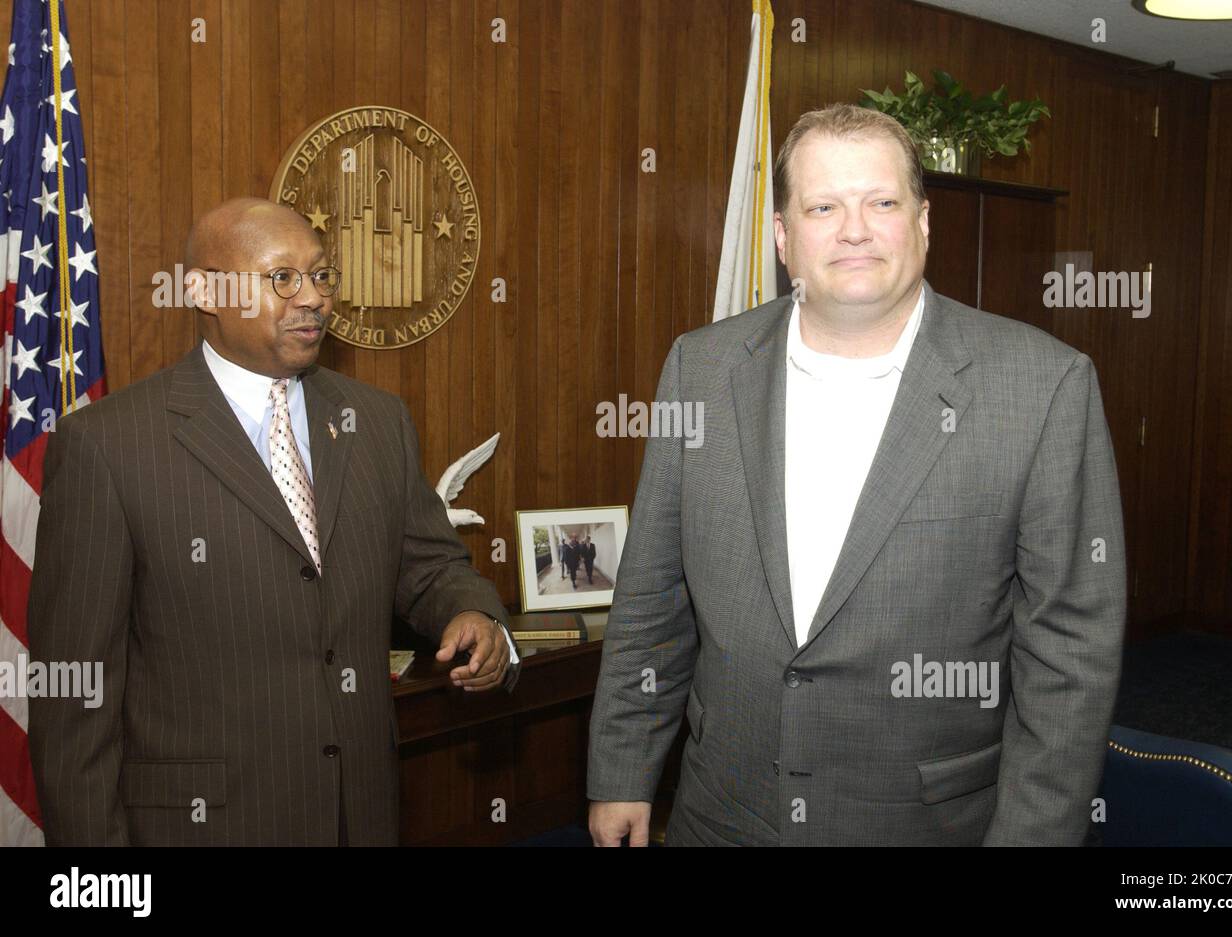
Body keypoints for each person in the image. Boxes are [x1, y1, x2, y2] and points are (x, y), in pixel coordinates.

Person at [587, 104, 1126, 846]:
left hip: (926, 822)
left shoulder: (1042, 385)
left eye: (881, 202)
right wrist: (622, 769)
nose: (853, 229)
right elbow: (652, 590)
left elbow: (1070, 653)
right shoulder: (700, 368)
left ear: (924, 223)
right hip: (723, 812)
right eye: (822, 206)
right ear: (783, 237)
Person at [28, 198, 519, 846]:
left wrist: (477, 618)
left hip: (361, 819)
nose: (312, 298)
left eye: (321, 276)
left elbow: (430, 566)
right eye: (282, 278)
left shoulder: (376, 421)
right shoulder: (110, 447)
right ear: (204, 289)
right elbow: (74, 708)